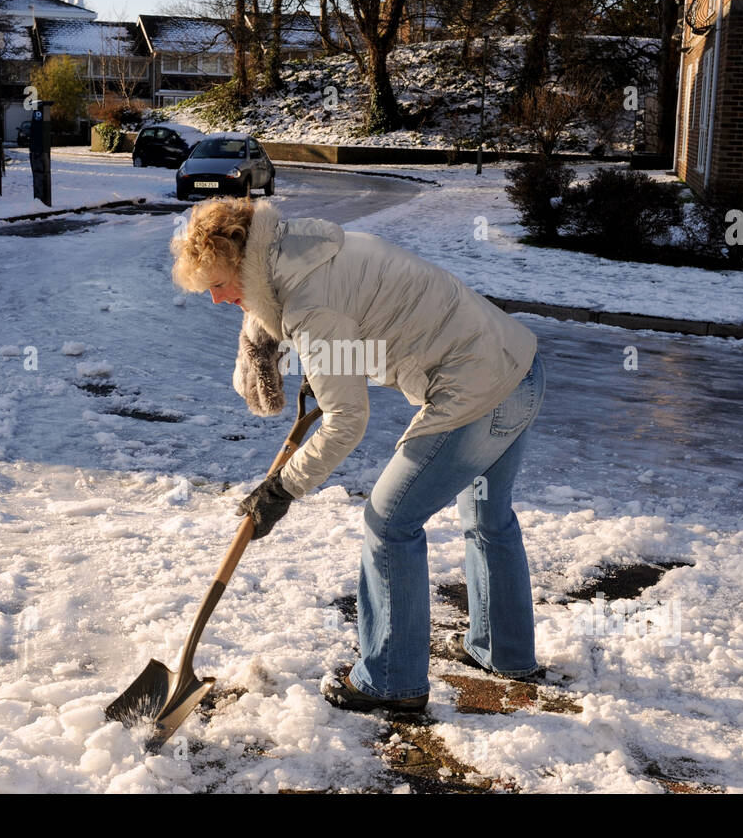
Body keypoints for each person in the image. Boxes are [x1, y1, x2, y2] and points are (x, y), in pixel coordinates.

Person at [169, 197, 547, 713]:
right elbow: (374, 334)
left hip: (476, 392)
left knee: (390, 522)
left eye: (217, 286)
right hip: (519, 369)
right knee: (488, 517)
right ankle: (504, 652)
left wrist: (282, 489)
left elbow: (347, 420)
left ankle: (391, 681)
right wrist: (306, 355)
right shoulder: (310, 249)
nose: (215, 300)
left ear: (242, 264)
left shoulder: (309, 305)